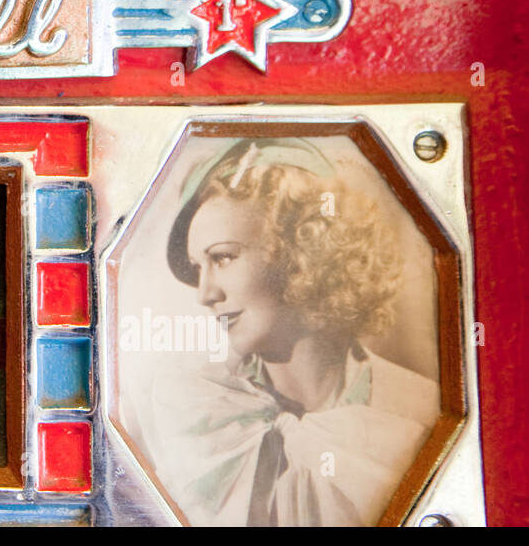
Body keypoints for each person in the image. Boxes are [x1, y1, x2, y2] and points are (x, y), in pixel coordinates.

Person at [136, 138, 440, 526]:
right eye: (198, 268)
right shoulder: (204, 418)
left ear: (302, 251)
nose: (205, 294)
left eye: (223, 258)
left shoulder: (420, 408)